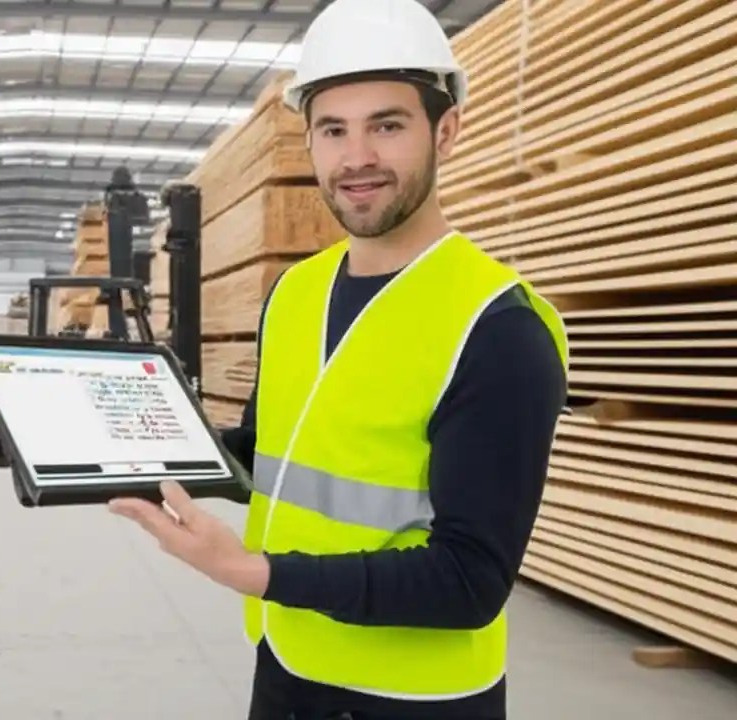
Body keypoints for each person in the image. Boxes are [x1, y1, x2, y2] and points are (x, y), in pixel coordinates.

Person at [108, 0, 570, 718]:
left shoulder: (499, 329)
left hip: (414, 697)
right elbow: (275, 454)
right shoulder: (296, 293)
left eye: (386, 125)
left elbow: (471, 580)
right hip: (290, 665)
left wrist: (250, 571)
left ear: (446, 132)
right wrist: (136, 451)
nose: (356, 157)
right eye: (333, 129)